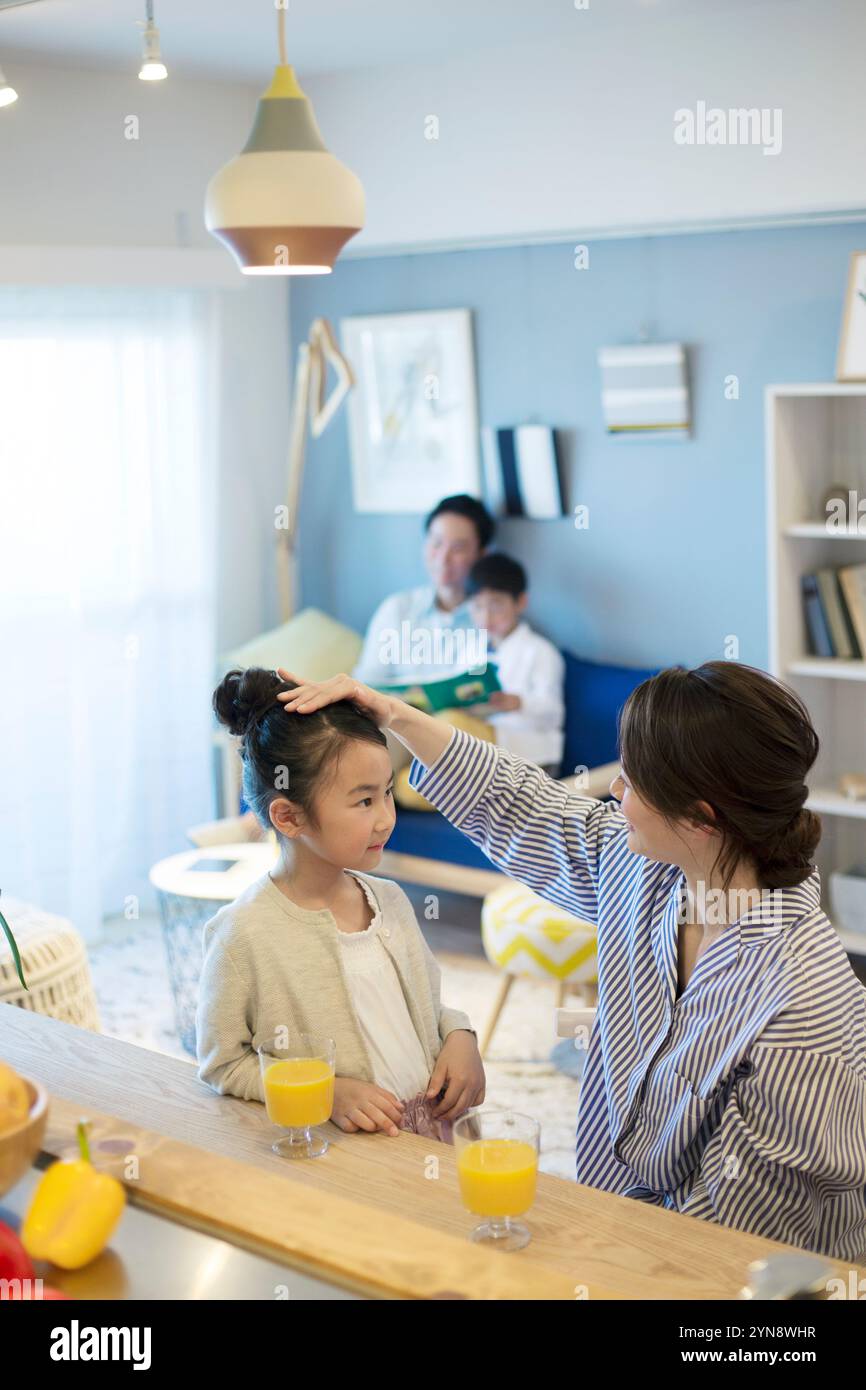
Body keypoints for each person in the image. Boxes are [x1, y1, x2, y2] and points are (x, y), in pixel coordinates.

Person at [273, 660, 866, 1260]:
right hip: (613, 1232)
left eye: (633, 780)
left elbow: (734, 1243)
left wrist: (586, 1256)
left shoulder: (802, 1001)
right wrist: (394, 713)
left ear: (701, 817)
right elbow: (525, 808)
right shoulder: (652, 870)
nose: (615, 789)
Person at [195, 667, 485, 1142]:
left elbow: (429, 1007)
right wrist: (326, 1091)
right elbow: (222, 1063)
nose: (386, 819)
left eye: (387, 792)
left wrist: (460, 1037)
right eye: (364, 801)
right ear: (289, 816)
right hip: (352, 1148)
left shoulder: (390, 900)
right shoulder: (243, 933)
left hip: (436, 1130)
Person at [393, 551, 566, 810]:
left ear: (520, 602)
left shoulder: (541, 652)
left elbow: (554, 714)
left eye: (496, 605)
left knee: (447, 726)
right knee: (405, 784)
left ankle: (467, 792)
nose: (486, 617)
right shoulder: (470, 650)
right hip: (478, 747)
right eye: (477, 606)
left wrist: (517, 703)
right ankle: (465, 793)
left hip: (524, 752)